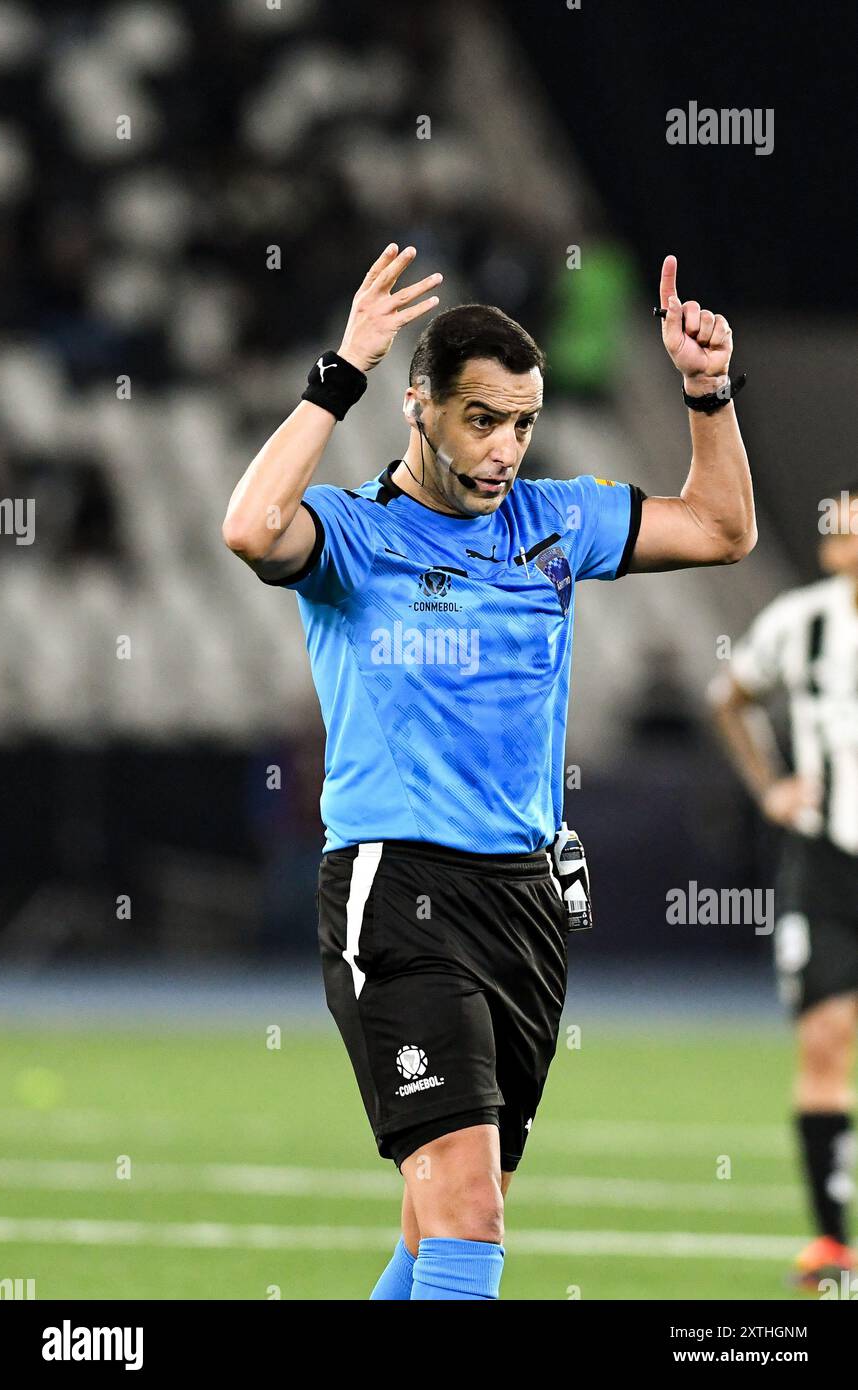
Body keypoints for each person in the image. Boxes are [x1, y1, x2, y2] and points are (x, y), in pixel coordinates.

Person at [223, 243, 755, 1299]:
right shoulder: (355, 534)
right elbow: (248, 527)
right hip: (397, 890)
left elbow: (723, 529)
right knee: (470, 1212)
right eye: (481, 420)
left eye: (522, 423)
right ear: (419, 406)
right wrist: (340, 371)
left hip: (522, 899)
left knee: (434, 1230)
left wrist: (705, 390)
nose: (507, 448)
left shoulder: (551, 521)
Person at [709, 486, 858, 1288]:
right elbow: (727, 697)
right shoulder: (800, 621)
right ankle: (833, 1243)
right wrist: (770, 787)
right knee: (825, 1041)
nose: (839, 526)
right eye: (834, 517)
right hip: (825, 863)